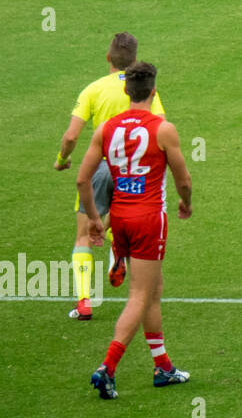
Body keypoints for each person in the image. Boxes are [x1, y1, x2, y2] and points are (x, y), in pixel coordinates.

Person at [82, 63, 193, 399]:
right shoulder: (163, 129)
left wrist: (93, 218)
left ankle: (163, 366)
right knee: (140, 296)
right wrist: (186, 203)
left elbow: (81, 179)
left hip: (121, 218)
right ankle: (108, 368)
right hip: (148, 220)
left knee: (153, 290)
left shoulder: (105, 129)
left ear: (126, 91)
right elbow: (183, 179)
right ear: (154, 91)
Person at [56, 32, 165, 320]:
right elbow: (160, 126)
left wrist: (61, 160)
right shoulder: (142, 89)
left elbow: (70, 137)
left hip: (101, 166)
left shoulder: (93, 90)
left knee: (83, 235)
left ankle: (83, 303)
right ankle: (118, 256)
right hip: (133, 169)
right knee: (123, 219)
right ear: (134, 60)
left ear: (108, 58)